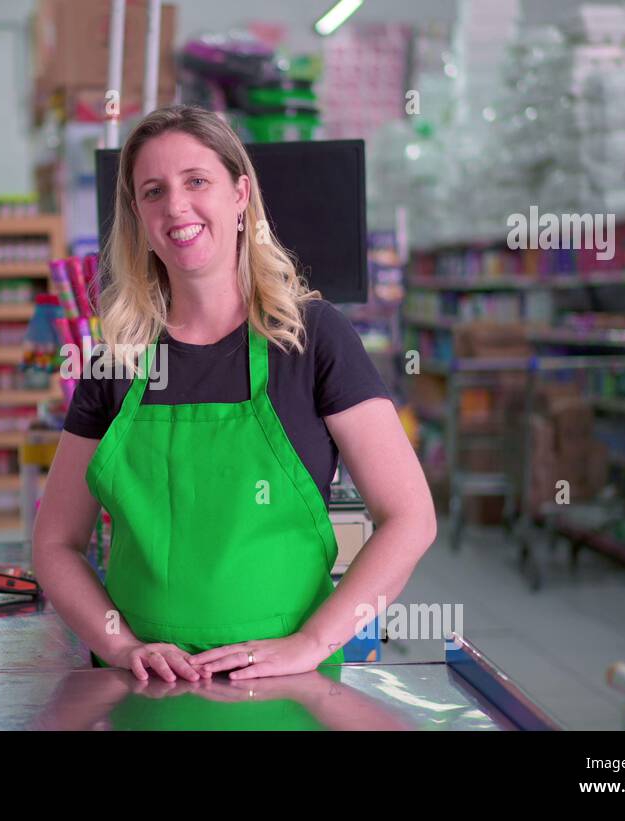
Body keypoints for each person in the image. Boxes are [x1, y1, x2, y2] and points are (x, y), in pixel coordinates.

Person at [32, 105, 436, 683]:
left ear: (240, 194)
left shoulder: (312, 338)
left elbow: (411, 517)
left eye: (197, 181)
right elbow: (55, 542)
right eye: (153, 191)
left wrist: (310, 643)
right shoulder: (116, 357)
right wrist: (119, 646)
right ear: (139, 217)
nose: (176, 206)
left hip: (283, 685)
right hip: (144, 690)